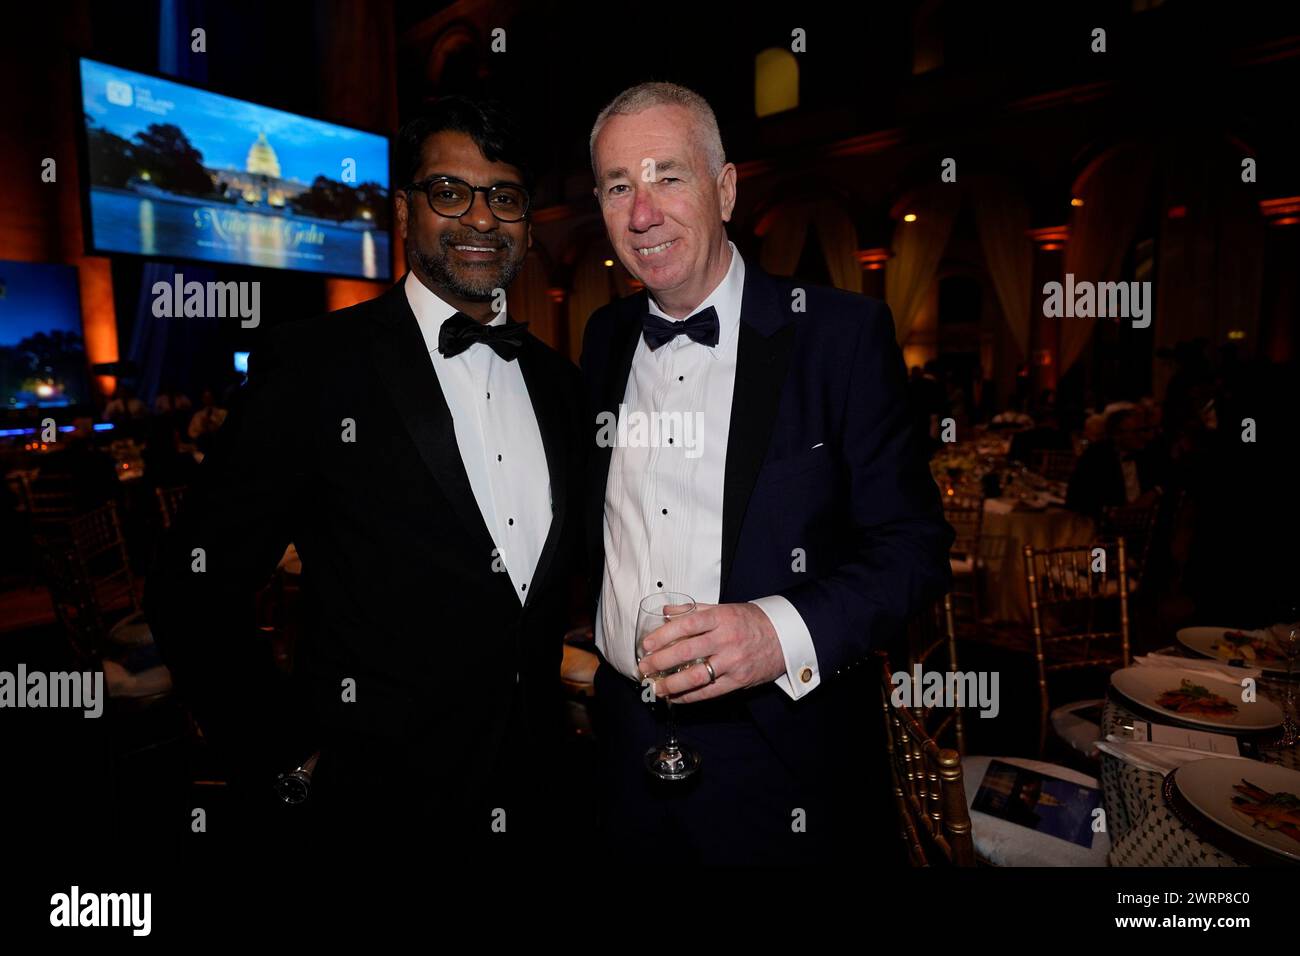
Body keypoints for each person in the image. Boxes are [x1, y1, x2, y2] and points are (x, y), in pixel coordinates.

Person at [145, 95, 586, 868]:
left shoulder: (560, 383)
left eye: (505, 197)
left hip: (544, 794)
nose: (481, 219)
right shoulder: (314, 366)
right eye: (450, 192)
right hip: (374, 814)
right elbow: (192, 588)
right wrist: (286, 759)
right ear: (403, 210)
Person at [580, 82, 952, 864]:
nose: (641, 213)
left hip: (785, 756)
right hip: (620, 754)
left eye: (667, 176)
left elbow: (915, 548)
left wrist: (778, 632)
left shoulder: (841, 336)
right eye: (619, 186)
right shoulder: (604, 337)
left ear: (725, 188)